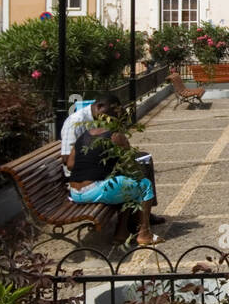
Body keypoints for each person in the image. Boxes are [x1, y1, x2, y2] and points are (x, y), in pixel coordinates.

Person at [64, 95, 160, 245]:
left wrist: (91, 163)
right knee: (143, 184)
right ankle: (144, 233)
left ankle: (122, 232)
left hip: (75, 193)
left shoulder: (83, 135)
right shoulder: (116, 136)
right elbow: (130, 167)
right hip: (95, 190)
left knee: (122, 184)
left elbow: (70, 164)